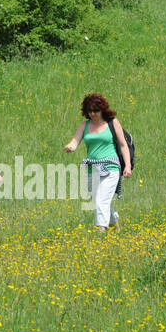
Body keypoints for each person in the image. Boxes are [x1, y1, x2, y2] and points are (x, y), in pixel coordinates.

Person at [64, 93, 131, 232]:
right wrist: (70, 146)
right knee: (98, 202)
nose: (93, 113)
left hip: (111, 167)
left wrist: (128, 166)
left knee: (102, 201)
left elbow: (123, 145)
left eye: (96, 110)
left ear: (102, 109)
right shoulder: (85, 125)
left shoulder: (112, 123)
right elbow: (75, 140)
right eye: (90, 111)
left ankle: (100, 231)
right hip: (92, 168)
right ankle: (114, 222)